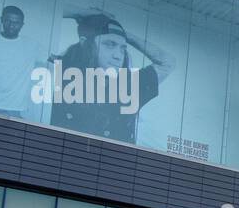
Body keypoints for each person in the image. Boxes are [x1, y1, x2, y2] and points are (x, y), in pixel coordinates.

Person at [50, 8, 174, 143]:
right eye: (110, 45)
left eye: (122, 48)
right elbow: (47, 11)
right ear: (85, 43)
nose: (117, 56)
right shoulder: (62, 73)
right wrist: (77, 12)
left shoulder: (130, 86)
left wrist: (127, 36)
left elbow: (168, 62)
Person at [0, 6, 48, 121]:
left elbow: (56, 59)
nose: (11, 25)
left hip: (13, 107)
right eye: (8, 21)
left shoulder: (32, 45)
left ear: (22, 24)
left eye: (16, 22)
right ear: (2, 19)